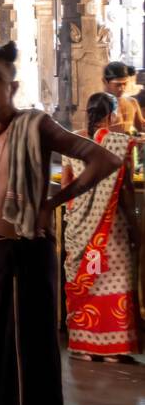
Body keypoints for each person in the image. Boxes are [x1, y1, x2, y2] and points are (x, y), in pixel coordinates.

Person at [0, 41, 121, 405]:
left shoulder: (35, 125)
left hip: (24, 255)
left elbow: (104, 159)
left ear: (12, 87)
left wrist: (54, 201)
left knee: (29, 355)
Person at [60, 92, 139, 363]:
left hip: (81, 231)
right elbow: (126, 190)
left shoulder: (72, 141)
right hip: (111, 228)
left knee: (88, 280)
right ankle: (114, 349)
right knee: (115, 278)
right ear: (113, 114)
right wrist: (135, 225)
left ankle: (85, 345)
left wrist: (78, 218)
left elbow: (66, 186)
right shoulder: (119, 143)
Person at [103, 61, 145, 136]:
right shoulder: (98, 104)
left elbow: (140, 130)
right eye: (118, 85)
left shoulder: (132, 102)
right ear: (105, 82)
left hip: (131, 146)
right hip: (106, 147)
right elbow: (93, 135)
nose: (122, 88)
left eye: (124, 84)